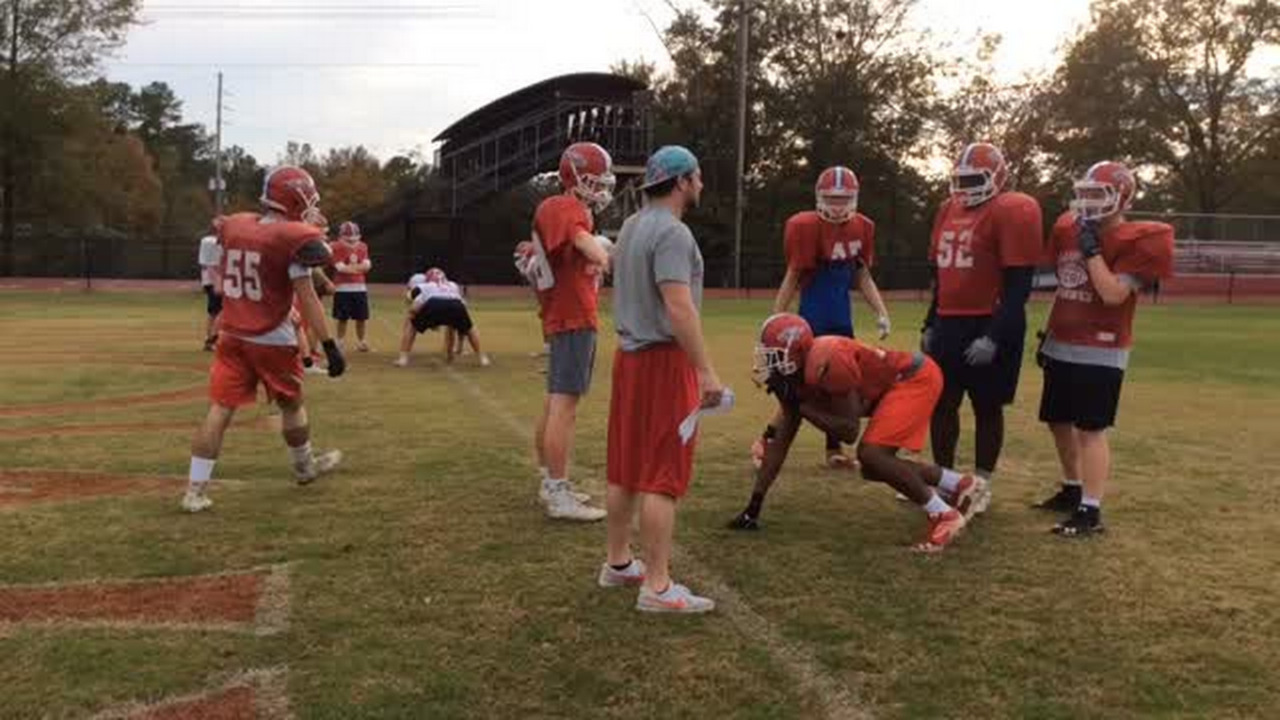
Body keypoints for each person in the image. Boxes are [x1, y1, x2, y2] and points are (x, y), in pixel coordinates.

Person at [730, 313, 984, 552]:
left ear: (796, 352)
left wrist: (804, 409)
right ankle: (959, 483)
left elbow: (849, 430)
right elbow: (779, 445)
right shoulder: (793, 378)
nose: (768, 362)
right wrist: (754, 507)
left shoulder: (828, 360)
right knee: (873, 467)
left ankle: (944, 515)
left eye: (774, 354)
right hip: (894, 386)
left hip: (914, 377)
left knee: (872, 454)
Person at [602, 145, 724, 613]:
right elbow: (678, 306)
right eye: (696, 176)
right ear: (681, 182)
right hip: (662, 361)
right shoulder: (672, 232)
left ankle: (618, 563)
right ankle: (656, 585)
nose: (700, 184)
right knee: (662, 473)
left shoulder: (632, 226)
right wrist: (705, 370)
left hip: (628, 358)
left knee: (625, 465)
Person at [181, 166, 346, 513]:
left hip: (232, 333)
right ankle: (304, 468)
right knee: (292, 405)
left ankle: (194, 491)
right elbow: (311, 294)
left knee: (220, 409)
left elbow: (229, 232)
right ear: (298, 197)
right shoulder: (291, 239)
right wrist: (329, 346)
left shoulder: (239, 225)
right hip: (272, 336)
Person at [1035, 161, 1174, 536]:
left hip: (1101, 345)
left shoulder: (1138, 238)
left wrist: (1093, 251)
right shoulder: (1068, 228)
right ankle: (1072, 488)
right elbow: (1064, 286)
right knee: (1057, 420)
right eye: (1084, 193)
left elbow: (1113, 294)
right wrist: (1048, 334)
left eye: (1097, 194)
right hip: (1062, 341)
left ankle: (1091, 510)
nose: (1088, 201)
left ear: (1122, 197)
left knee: (1091, 428)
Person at [920, 142, 1043, 514]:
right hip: (949, 319)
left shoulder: (1012, 209)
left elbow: (1018, 284)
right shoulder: (947, 210)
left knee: (987, 406)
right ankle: (946, 481)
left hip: (991, 318)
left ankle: (982, 484)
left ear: (997, 177)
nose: (965, 187)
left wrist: (993, 334)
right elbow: (941, 276)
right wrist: (930, 321)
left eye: (974, 179)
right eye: (960, 179)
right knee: (942, 403)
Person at [758, 165, 892, 468]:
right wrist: (777, 317)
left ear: (855, 198)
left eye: (843, 199)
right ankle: (765, 440)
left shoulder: (863, 227)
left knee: (840, 387)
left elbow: (862, 275)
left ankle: (833, 451)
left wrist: (881, 311)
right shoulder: (806, 227)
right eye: (831, 198)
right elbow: (792, 275)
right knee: (802, 390)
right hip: (812, 321)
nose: (837, 205)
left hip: (841, 322)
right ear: (819, 197)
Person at [528, 142, 615, 522]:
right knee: (565, 405)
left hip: (563, 314)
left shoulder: (561, 209)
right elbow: (587, 247)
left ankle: (550, 480)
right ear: (576, 178)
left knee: (554, 403)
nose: (600, 189)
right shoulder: (564, 207)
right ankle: (557, 491)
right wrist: (603, 254)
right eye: (595, 181)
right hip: (573, 315)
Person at [395, 268, 490, 367]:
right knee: (468, 329)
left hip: (434, 304)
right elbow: (462, 305)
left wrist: (412, 313)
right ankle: (481, 357)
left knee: (412, 326)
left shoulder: (426, 285)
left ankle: (403, 358)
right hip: (456, 306)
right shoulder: (453, 285)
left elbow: (410, 298)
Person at [330, 221, 373, 352]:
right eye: (348, 238)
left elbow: (367, 266)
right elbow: (341, 268)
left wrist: (353, 269)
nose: (352, 241)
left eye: (354, 237)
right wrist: (358, 269)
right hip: (342, 288)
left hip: (360, 287)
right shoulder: (335, 246)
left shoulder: (363, 246)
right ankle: (340, 341)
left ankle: (361, 342)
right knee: (342, 318)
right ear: (341, 236)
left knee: (361, 317)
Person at [198, 232, 223, 351]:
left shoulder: (208, 242)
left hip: (211, 281)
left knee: (214, 312)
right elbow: (210, 266)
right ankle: (212, 340)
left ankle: (210, 339)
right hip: (215, 282)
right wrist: (217, 283)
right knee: (219, 311)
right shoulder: (211, 242)